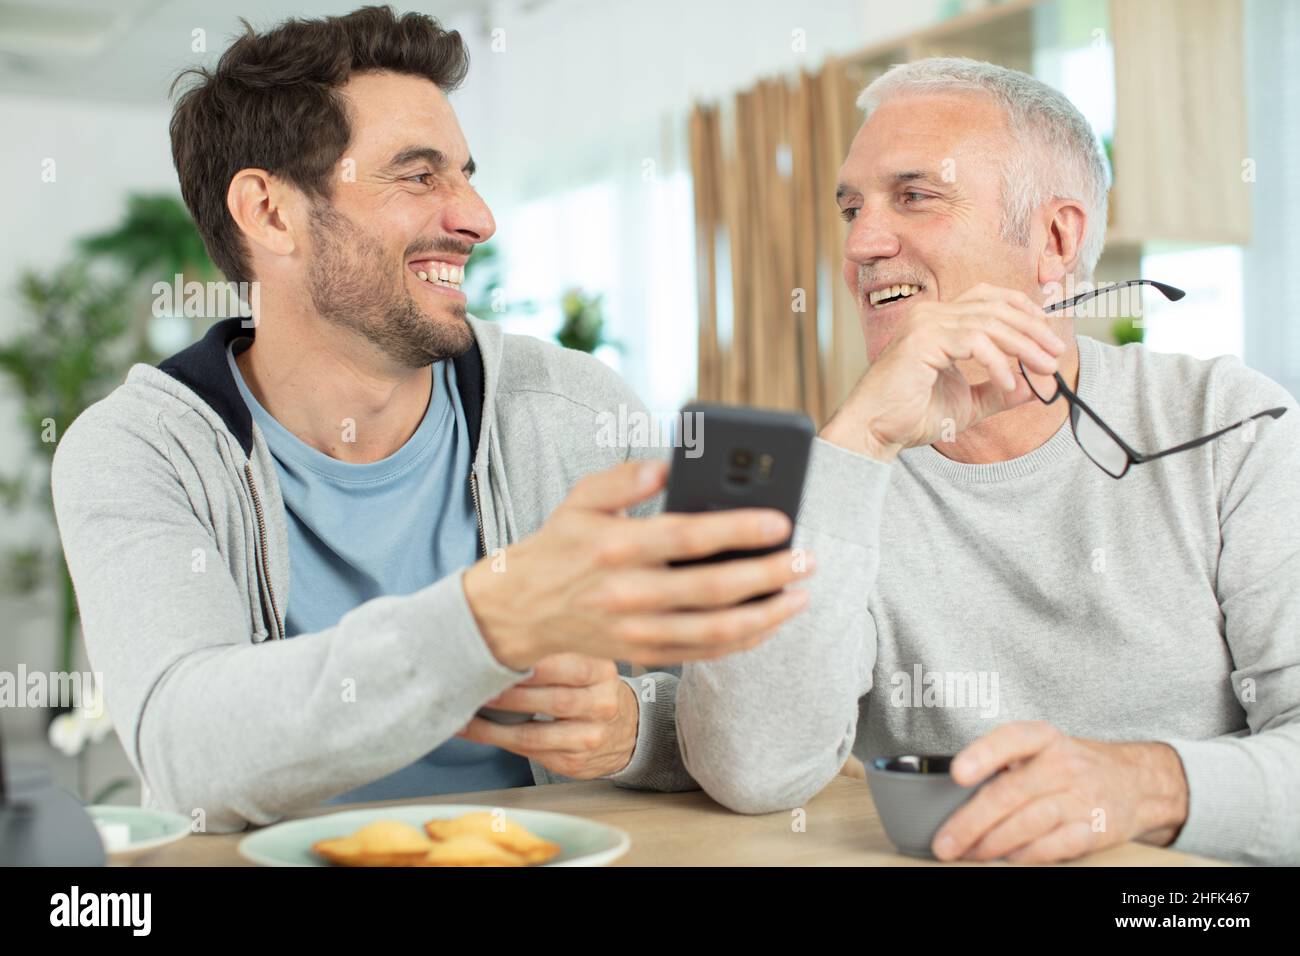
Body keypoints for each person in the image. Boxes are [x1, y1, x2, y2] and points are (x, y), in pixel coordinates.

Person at [49, 6, 873, 832]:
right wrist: (494, 616)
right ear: (269, 213)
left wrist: (633, 729)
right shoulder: (140, 451)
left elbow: (743, 731)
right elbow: (188, 752)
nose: (477, 216)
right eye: (417, 176)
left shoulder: (573, 411)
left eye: (466, 174)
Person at [676, 57, 1300, 866]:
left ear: (1055, 239)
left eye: (916, 196)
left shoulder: (1228, 426)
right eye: (851, 208)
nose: (862, 242)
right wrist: (859, 443)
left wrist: (1145, 785)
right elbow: (752, 772)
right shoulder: (828, 470)